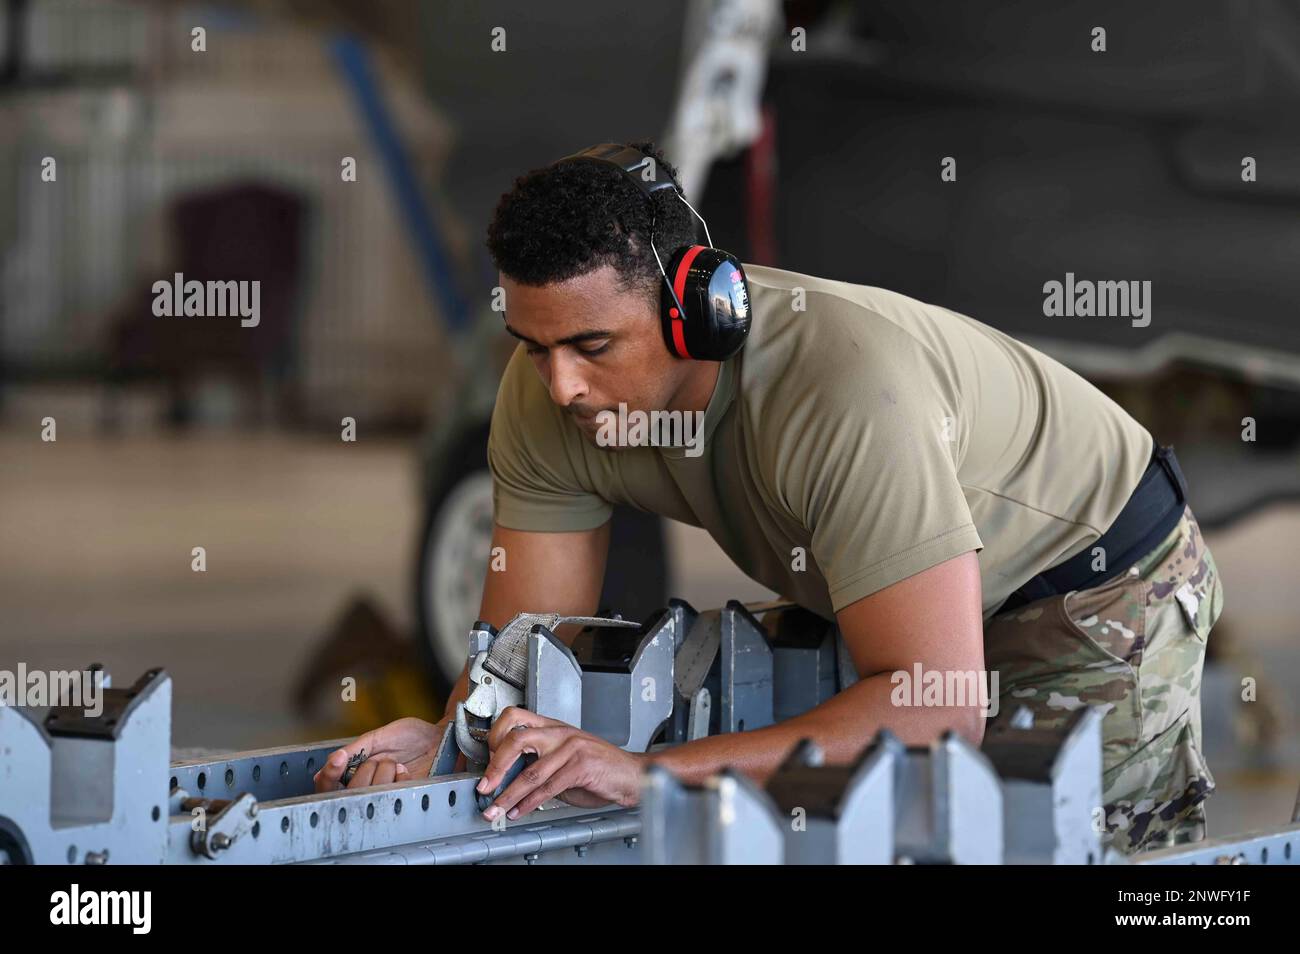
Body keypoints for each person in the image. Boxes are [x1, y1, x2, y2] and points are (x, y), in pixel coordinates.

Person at [314, 141, 1223, 854]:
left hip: (1093, 580)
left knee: (1062, 852)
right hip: (900, 588)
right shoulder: (544, 391)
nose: (560, 389)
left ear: (695, 310)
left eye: (592, 347)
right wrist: (445, 738)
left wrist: (646, 773)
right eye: (532, 343)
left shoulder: (843, 392)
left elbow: (934, 704)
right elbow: (522, 652)